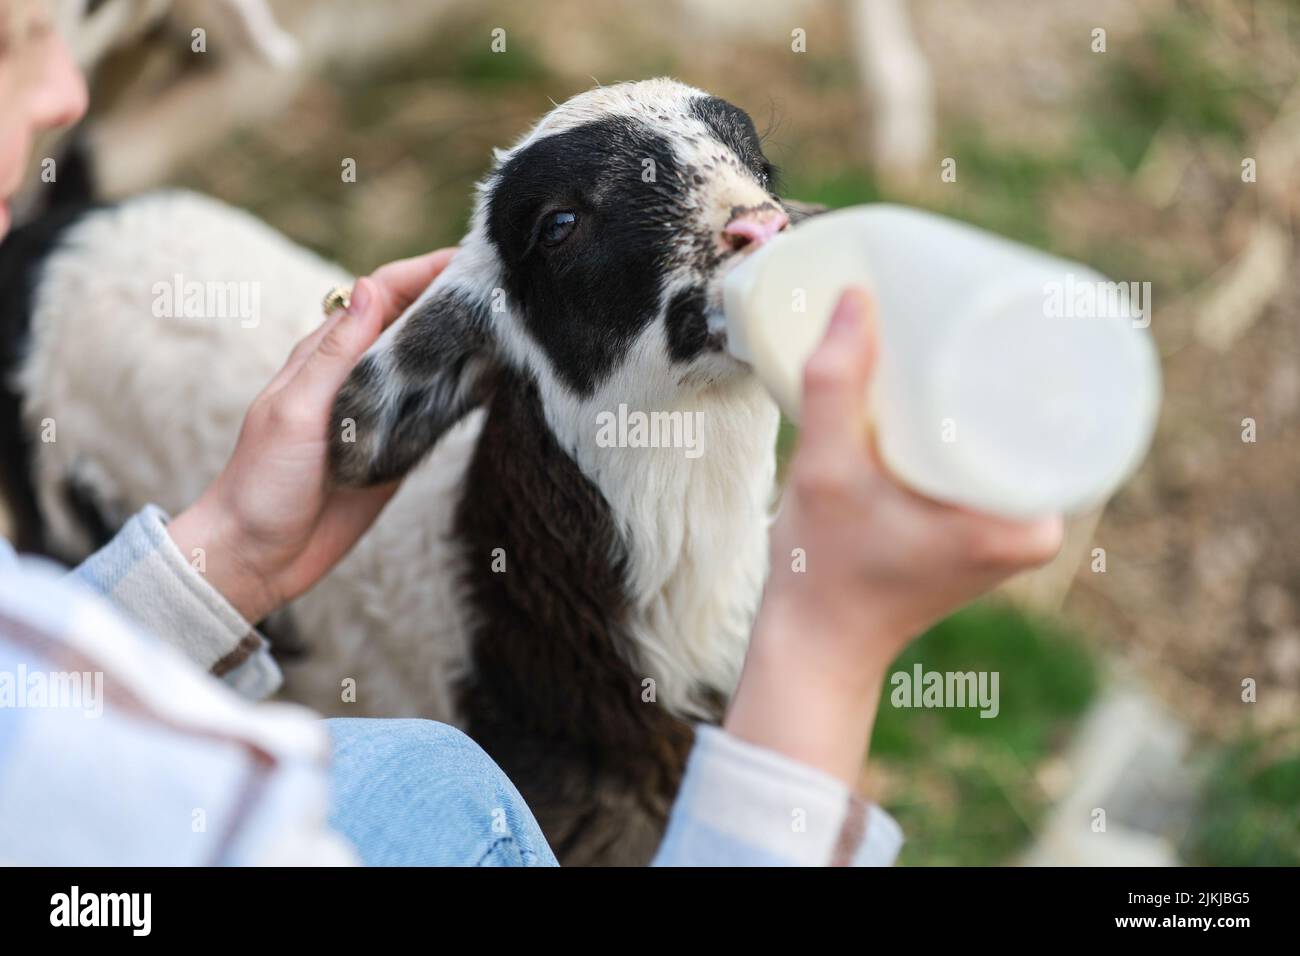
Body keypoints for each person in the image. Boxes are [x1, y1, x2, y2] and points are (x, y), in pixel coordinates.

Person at [0, 0, 1062, 865]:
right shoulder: (439, 796)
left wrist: (229, 543)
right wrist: (828, 652)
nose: (68, 92)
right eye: (566, 227)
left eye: (761, 195)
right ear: (469, 340)